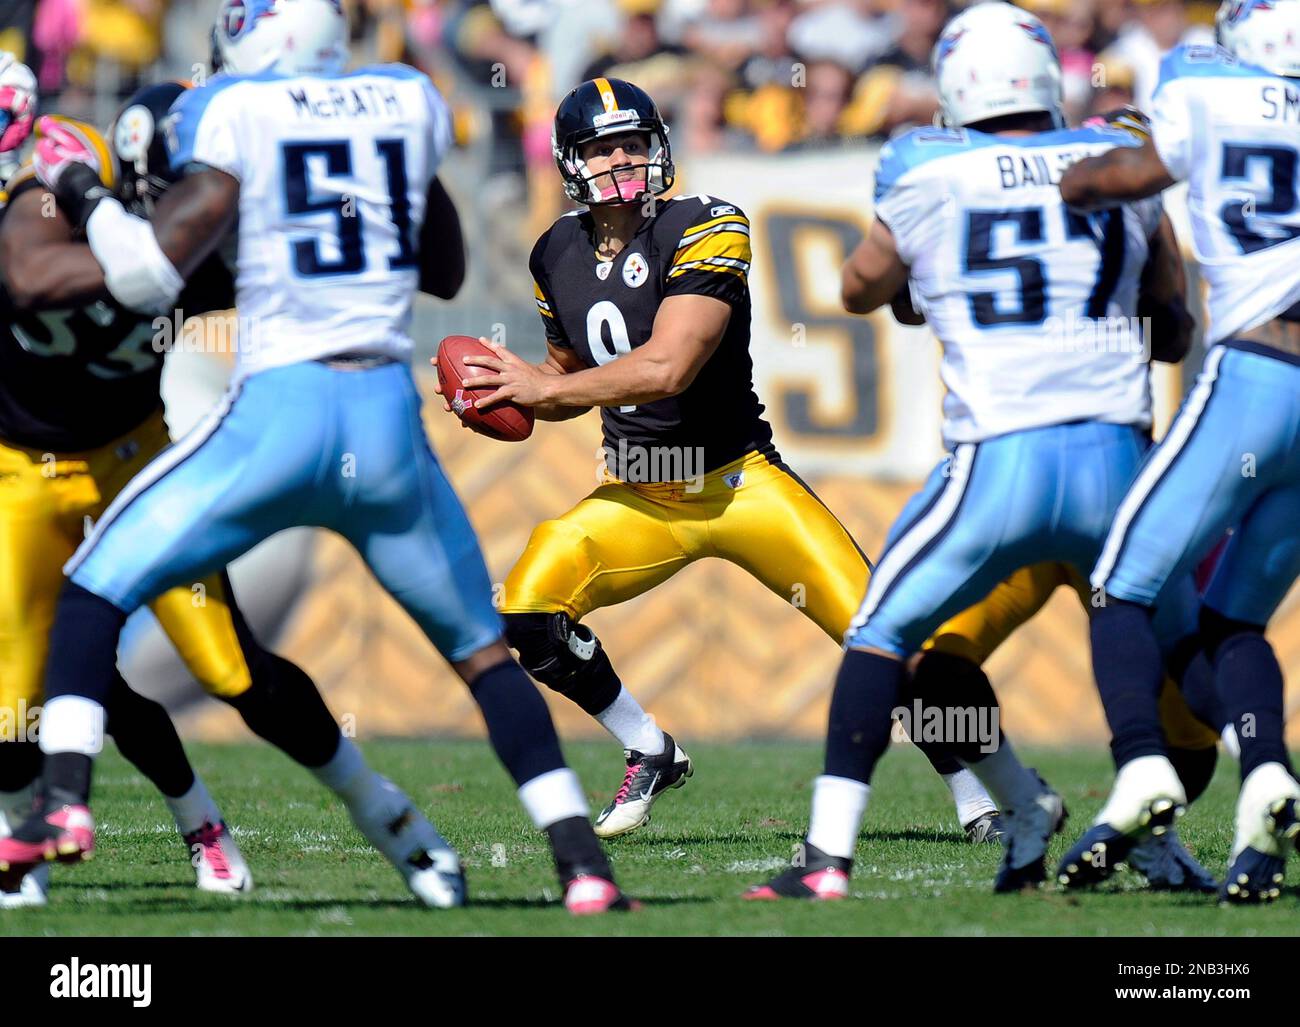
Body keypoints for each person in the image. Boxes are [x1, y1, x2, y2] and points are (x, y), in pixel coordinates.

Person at [0, 0, 630, 915]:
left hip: (262, 417)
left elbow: (145, 269)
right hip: (377, 413)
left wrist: (102, 203)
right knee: (485, 655)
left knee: (111, 602)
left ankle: (68, 802)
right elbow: (445, 267)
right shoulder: (399, 100)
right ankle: (582, 867)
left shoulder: (212, 135)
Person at [1057, 0, 1300, 903]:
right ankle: (1268, 788)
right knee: (1236, 621)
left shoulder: (1205, 86)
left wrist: (1068, 176)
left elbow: (1125, 174)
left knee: (1122, 582)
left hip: (1259, 371)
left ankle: (1141, 768)